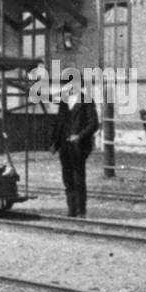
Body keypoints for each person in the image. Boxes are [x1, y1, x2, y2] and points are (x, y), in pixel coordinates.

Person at [50, 83, 99, 218]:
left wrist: (80, 136)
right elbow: (59, 123)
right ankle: (71, 210)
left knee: (78, 177)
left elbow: (94, 124)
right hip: (64, 145)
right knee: (67, 178)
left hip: (79, 146)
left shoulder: (86, 101)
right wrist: (55, 143)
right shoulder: (64, 102)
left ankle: (81, 210)